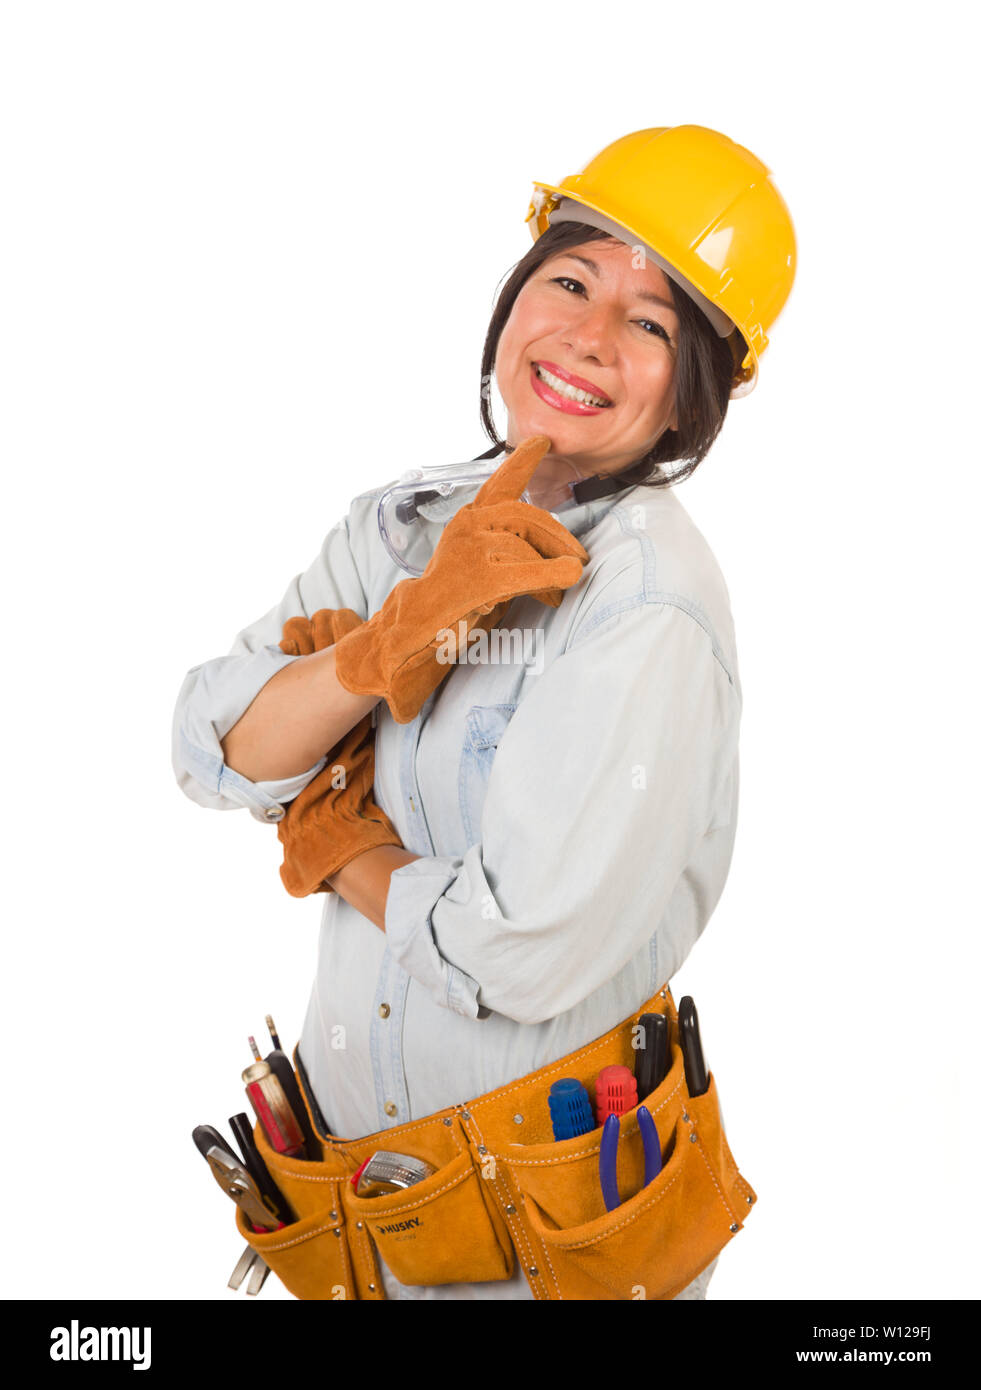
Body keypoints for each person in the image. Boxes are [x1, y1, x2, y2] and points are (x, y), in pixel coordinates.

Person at [171, 124, 796, 1301]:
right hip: (359, 1219)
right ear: (517, 295)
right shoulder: (400, 530)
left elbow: (519, 949)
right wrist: (388, 646)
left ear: (695, 395)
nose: (588, 334)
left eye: (652, 323)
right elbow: (213, 745)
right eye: (570, 278)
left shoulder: (650, 598)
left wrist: (339, 835)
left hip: (545, 1246)